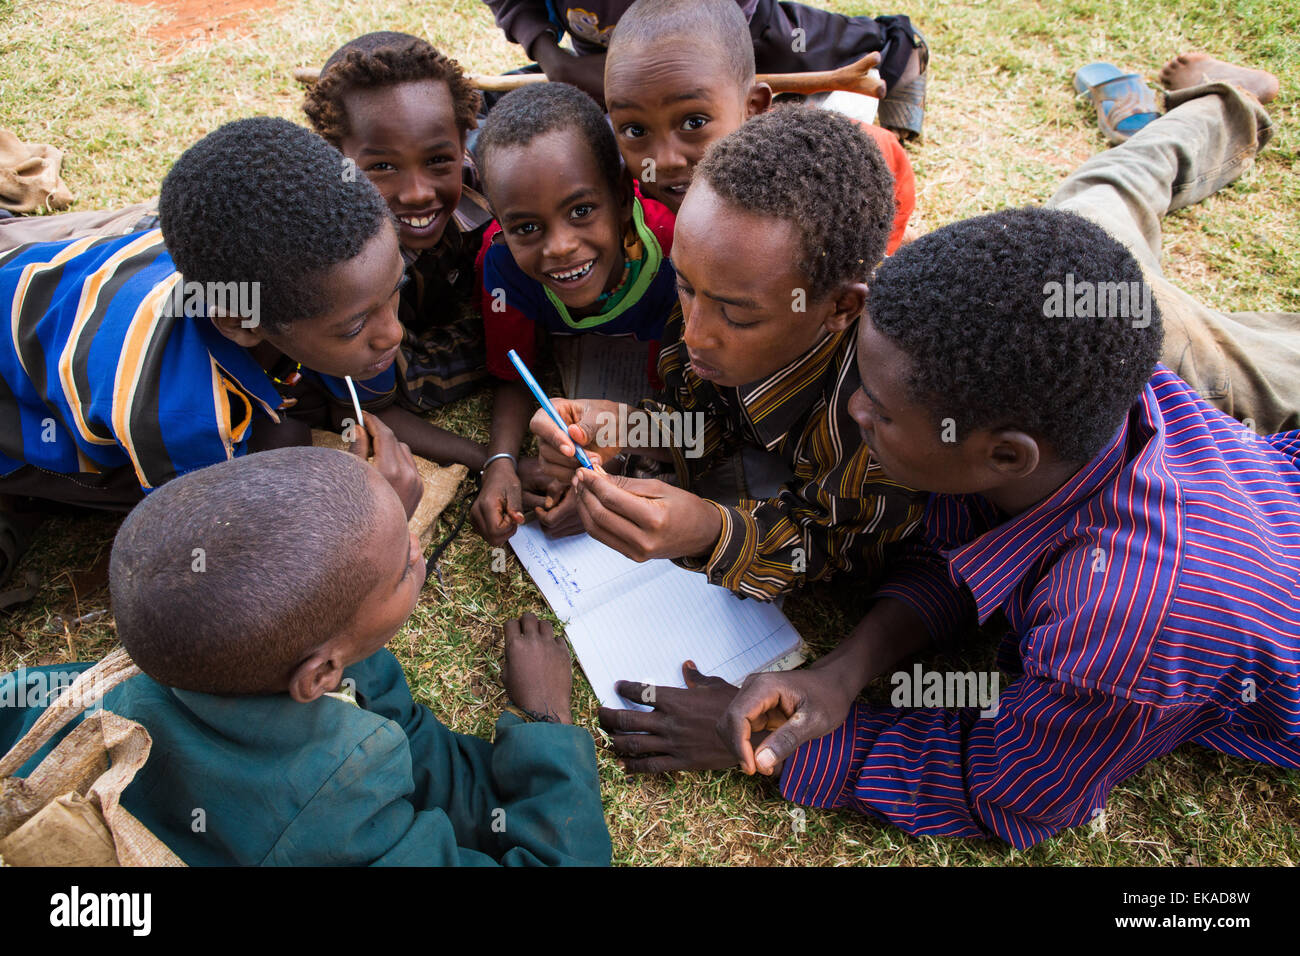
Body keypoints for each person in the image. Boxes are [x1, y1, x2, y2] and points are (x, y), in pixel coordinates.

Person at [706, 205, 1300, 848]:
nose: (854, 410)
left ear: (1007, 455)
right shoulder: (1075, 400)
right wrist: (842, 672)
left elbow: (1008, 790)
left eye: (878, 408)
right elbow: (968, 555)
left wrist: (782, 749)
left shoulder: (1124, 625)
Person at [0, 447, 611, 865]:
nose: (421, 557)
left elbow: (410, 743)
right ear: (316, 674)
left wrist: (369, 514)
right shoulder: (333, 809)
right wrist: (548, 724)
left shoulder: (85, 685)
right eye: (404, 566)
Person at [0, 117, 447, 589]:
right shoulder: (176, 412)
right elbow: (211, 567)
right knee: (269, 465)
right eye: (356, 326)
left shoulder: (286, 280)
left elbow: (370, 402)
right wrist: (369, 511)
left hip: (51, 293)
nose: (392, 334)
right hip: (14, 406)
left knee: (287, 434)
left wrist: (496, 461)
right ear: (240, 324)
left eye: (394, 289)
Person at [531, 106, 923, 600]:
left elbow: (838, 547)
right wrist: (620, 427)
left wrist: (710, 532)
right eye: (685, 287)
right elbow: (708, 416)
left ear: (840, 307)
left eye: (738, 317)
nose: (694, 335)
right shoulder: (720, 282)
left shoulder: (880, 412)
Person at [470, 81, 679, 545]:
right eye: (526, 226)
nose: (560, 246)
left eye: (582, 210)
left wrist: (604, 479)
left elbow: (688, 418)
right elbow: (514, 372)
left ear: (623, 200)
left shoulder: (672, 252)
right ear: (500, 223)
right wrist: (500, 462)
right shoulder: (501, 262)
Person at [602, 0, 915, 253]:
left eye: (693, 123)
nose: (665, 160)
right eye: (636, 131)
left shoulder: (812, 203)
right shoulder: (629, 211)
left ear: (752, 108)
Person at [480, 0, 928, 139]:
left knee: (820, 49)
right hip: (599, 49)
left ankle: (902, 49)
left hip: (733, 28)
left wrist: (688, 66)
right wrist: (551, 57)